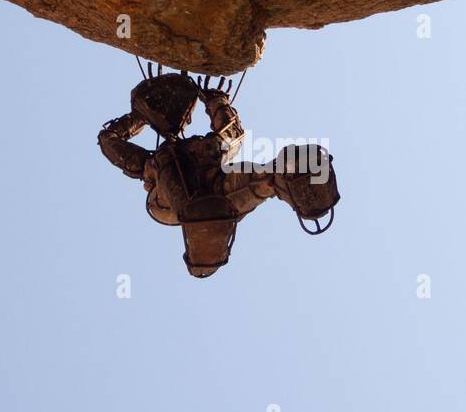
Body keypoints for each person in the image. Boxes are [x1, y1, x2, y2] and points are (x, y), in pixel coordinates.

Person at [98, 65, 339, 278]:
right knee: (266, 177)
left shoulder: (160, 164)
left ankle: (308, 196)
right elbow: (230, 133)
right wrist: (215, 100)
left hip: (172, 207)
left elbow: (109, 140)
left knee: (262, 177)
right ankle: (309, 195)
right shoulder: (209, 151)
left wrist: (139, 118)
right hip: (205, 199)